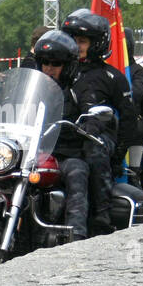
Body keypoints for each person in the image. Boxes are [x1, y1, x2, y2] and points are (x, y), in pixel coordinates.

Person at [61, 8, 139, 234]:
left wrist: (117, 155)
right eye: (73, 40)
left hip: (97, 136)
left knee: (94, 148)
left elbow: (128, 119)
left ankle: (101, 215)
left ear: (97, 43)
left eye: (82, 41)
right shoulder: (61, 72)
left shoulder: (113, 77)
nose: (76, 46)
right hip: (63, 135)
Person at [34, 30, 101, 240]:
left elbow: (93, 111)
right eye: (44, 62)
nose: (49, 68)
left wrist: (90, 124)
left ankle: (76, 235)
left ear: (68, 66)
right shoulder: (32, 88)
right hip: (34, 155)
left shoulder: (79, 87)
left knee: (77, 172)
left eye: (55, 64)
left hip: (66, 154)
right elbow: (12, 107)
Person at [123, 30, 143, 183]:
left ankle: (135, 178)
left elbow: (137, 94)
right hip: (112, 126)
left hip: (132, 126)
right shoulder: (107, 70)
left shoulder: (138, 71)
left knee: (133, 173)